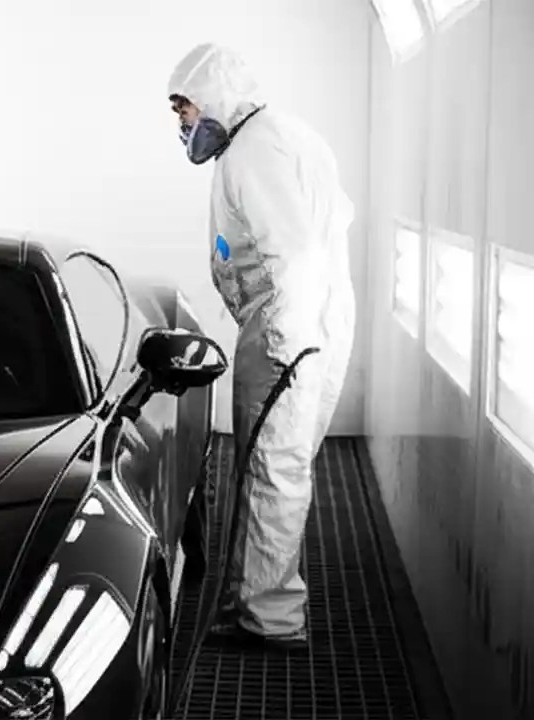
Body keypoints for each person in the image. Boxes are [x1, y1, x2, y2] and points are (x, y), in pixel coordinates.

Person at [167, 43, 356, 649]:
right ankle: (256, 602)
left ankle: (269, 620)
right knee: (272, 466)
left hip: (287, 332)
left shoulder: (254, 151)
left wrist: (285, 342)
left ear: (217, 96)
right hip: (298, 325)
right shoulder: (275, 137)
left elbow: (294, 254)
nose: (182, 124)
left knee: (270, 469)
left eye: (185, 107)